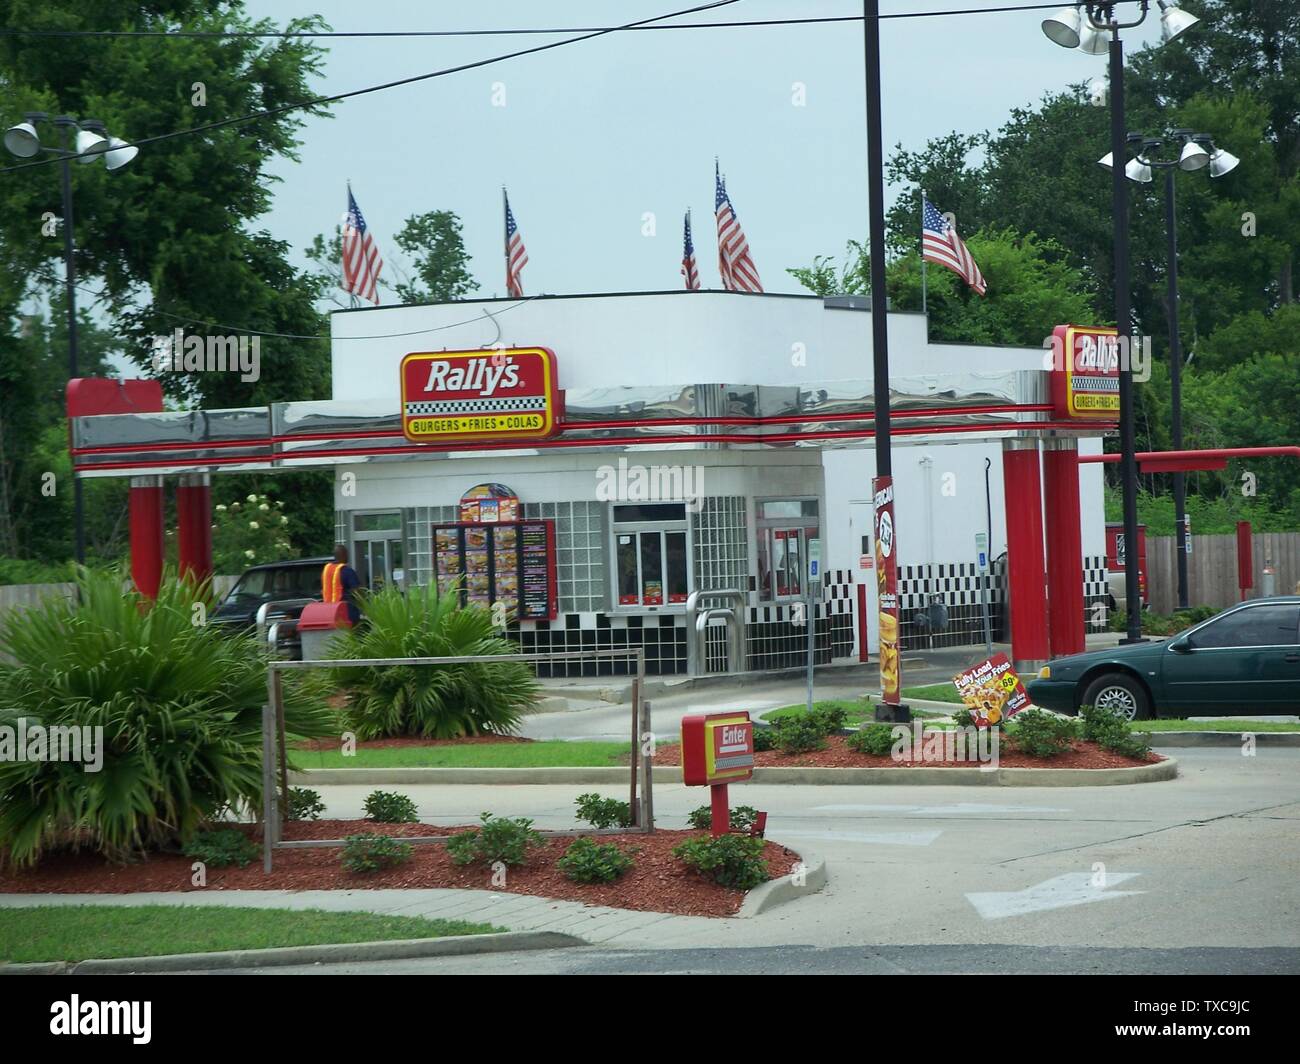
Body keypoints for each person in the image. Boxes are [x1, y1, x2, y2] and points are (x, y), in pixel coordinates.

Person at [322, 545, 361, 626]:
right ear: (343, 555)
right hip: (347, 612)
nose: (348, 556)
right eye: (346, 554)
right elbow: (357, 592)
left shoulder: (326, 570)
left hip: (328, 613)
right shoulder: (347, 571)